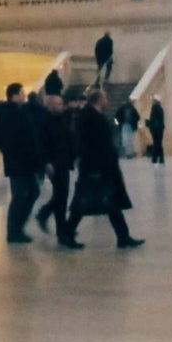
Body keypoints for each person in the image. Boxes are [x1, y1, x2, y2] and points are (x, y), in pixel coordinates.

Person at [60, 88, 141, 251]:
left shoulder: (90, 116)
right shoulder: (91, 117)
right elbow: (93, 144)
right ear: (98, 99)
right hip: (96, 167)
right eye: (105, 97)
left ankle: (123, 236)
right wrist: (100, 166)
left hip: (100, 166)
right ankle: (67, 233)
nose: (107, 100)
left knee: (110, 202)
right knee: (84, 202)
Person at [0, 83, 41, 243]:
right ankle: (14, 230)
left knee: (32, 192)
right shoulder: (9, 113)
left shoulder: (19, 111)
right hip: (18, 161)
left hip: (25, 161)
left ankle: (18, 228)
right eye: (21, 93)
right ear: (14, 95)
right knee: (20, 195)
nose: (24, 96)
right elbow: (12, 138)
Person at [32, 92, 74, 233]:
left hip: (63, 161)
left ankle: (57, 224)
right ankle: (55, 223)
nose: (62, 107)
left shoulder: (61, 119)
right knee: (61, 194)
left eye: (62, 104)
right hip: (54, 163)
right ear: (50, 106)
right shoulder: (44, 121)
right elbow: (41, 144)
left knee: (61, 194)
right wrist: (46, 162)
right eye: (59, 104)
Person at [144, 98, 166, 165]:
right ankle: (161, 158)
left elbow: (153, 119)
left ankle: (155, 158)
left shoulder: (154, 109)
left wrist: (149, 123)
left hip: (155, 129)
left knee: (156, 143)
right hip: (160, 129)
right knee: (159, 143)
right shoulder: (161, 109)